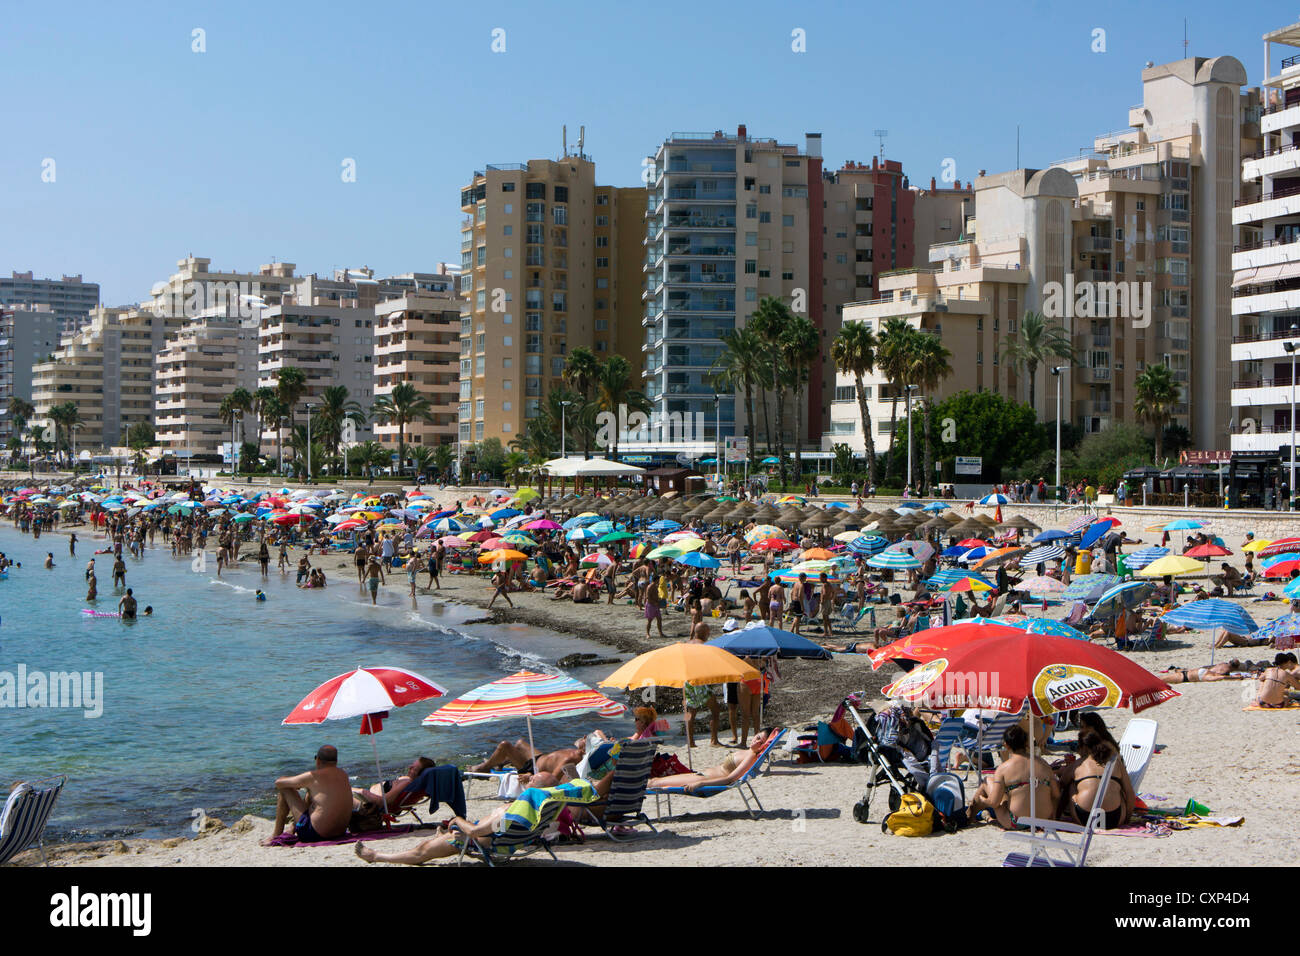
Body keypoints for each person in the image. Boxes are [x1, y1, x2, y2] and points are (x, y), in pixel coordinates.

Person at [967, 725, 1059, 830]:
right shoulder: (1043, 764)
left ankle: (969, 817)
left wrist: (982, 800)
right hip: (1044, 821)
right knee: (1009, 793)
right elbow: (1056, 794)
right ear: (1026, 743)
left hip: (1016, 821)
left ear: (1006, 745)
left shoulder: (1003, 769)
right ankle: (971, 815)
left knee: (987, 782)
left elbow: (994, 802)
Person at [262, 745, 353, 845]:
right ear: (336, 761)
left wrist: (298, 785)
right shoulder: (343, 775)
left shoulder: (313, 776)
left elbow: (278, 783)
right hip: (339, 832)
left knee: (285, 788)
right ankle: (293, 827)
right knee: (312, 793)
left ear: (317, 760)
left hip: (313, 834)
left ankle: (275, 835)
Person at [648, 728, 781, 790]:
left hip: (704, 780)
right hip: (701, 774)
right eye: (757, 736)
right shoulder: (749, 751)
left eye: (760, 741)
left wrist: (701, 784)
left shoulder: (751, 757)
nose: (755, 741)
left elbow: (730, 779)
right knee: (653, 781)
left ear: (763, 745)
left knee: (654, 783)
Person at [1059, 731, 1129, 829]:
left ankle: (1058, 816)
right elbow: (1129, 793)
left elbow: (1061, 785)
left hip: (1084, 818)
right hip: (1115, 818)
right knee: (1119, 788)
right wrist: (1127, 819)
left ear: (1084, 748)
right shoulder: (1115, 763)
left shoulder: (1077, 764)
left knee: (1071, 785)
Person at [352, 756, 436, 810]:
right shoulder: (417, 785)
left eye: (414, 768)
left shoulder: (407, 782)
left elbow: (383, 801)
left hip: (369, 803)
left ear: (419, 774)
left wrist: (362, 791)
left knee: (345, 793)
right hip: (372, 797)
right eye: (411, 765)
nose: (409, 767)